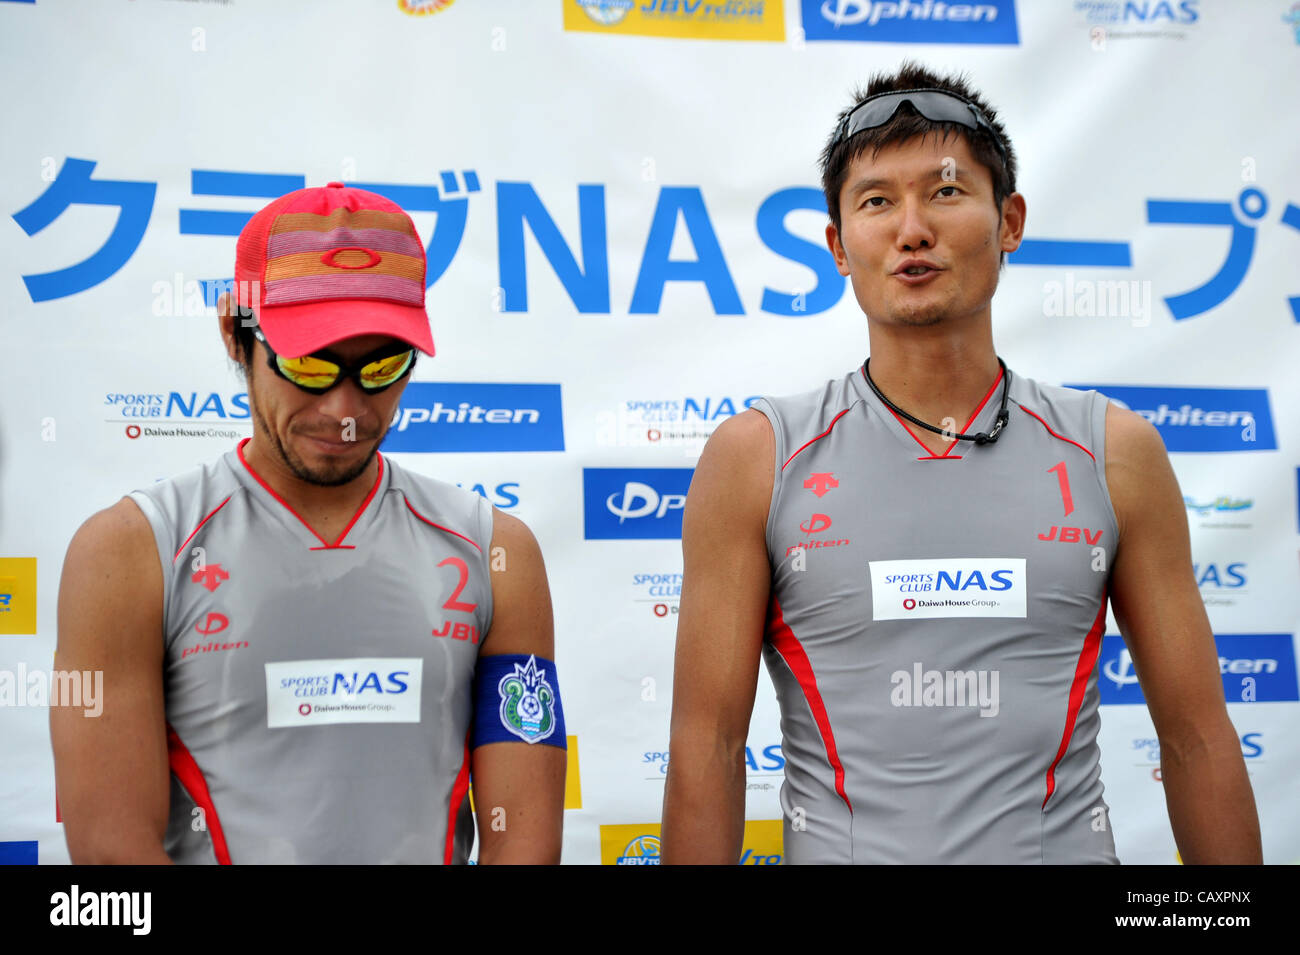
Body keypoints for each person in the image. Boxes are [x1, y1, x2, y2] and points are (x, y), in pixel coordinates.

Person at [660, 64, 1261, 864]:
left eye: (945, 192)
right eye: (876, 201)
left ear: (1009, 220)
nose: (912, 229)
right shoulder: (758, 458)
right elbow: (707, 746)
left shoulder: (1112, 451)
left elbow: (1196, 737)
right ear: (839, 245)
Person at [52, 182, 565, 864]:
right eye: (308, 363)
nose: (346, 407)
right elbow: (113, 856)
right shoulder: (129, 552)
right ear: (235, 332)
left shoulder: (497, 551)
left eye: (383, 365)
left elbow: (523, 844)